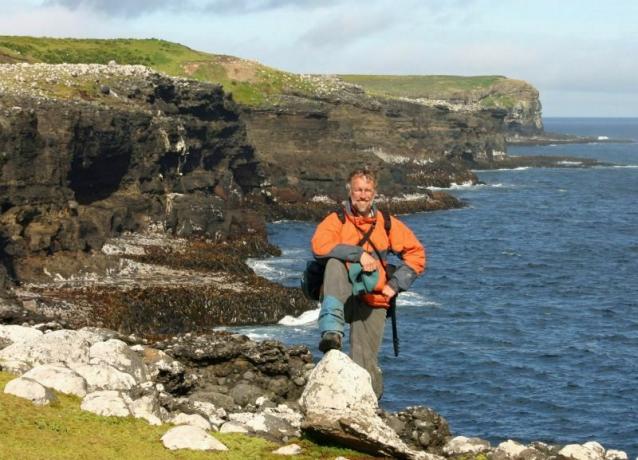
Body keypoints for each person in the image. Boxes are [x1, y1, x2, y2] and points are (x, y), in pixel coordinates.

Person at [311, 167, 426, 398]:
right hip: (342, 295)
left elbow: (417, 255)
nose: (362, 195)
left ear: (374, 193)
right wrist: (358, 254)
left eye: (367, 190)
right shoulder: (337, 220)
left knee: (364, 364)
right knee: (334, 262)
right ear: (349, 191)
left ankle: (370, 405)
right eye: (358, 190)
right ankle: (331, 332)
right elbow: (319, 246)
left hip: (374, 298)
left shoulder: (387, 224)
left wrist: (394, 285)